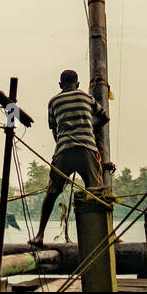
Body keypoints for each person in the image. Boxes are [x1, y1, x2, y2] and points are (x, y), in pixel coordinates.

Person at [28, 70, 109, 247]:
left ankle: (40, 235)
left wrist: (62, 145)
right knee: (96, 192)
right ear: (77, 83)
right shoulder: (87, 97)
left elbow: (54, 130)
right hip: (87, 148)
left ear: (60, 85)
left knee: (52, 193)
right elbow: (105, 117)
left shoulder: (53, 101)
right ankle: (108, 235)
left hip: (64, 149)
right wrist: (90, 128)